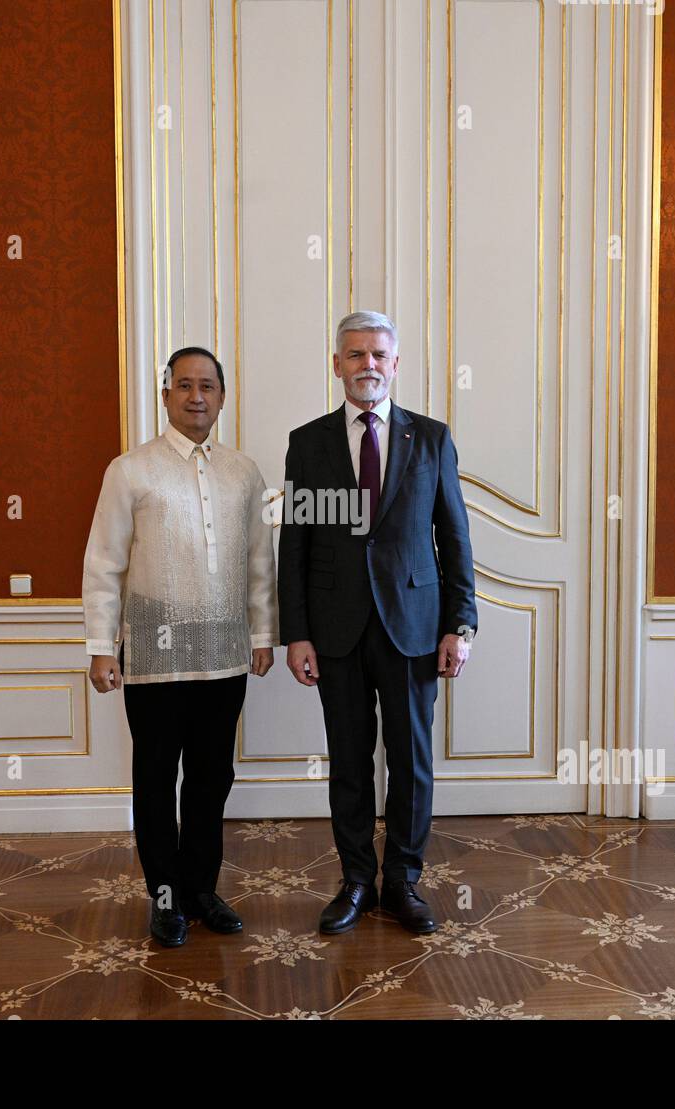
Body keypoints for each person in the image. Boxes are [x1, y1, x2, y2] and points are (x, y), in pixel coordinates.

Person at [278, 310, 477, 936]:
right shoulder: (307, 443)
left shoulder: (433, 439)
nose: (368, 365)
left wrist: (459, 624)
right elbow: (296, 543)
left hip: (415, 627)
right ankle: (357, 880)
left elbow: (455, 538)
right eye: (356, 354)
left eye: (379, 355)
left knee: (413, 760)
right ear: (337, 364)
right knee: (349, 760)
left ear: (396, 364)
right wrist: (297, 631)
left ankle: (403, 882)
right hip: (335, 631)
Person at [83, 346, 277, 947]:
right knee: (157, 775)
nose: (197, 397)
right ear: (165, 394)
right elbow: (105, 562)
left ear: (222, 396)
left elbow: (258, 562)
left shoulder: (244, 472)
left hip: (223, 654)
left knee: (211, 777)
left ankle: (201, 888)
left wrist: (263, 633)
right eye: (185, 385)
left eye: (209, 386)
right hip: (152, 655)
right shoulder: (130, 470)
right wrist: (100, 644)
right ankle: (164, 896)